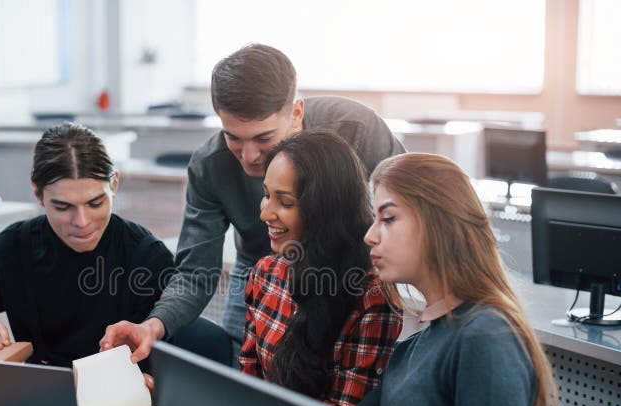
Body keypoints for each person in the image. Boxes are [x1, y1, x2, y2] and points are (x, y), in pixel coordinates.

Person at [101, 43, 405, 362]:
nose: (249, 157)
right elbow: (195, 272)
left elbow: (414, 205)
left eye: (263, 138)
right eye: (233, 137)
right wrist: (153, 325)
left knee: (341, 365)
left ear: (297, 112)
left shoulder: (355, 129)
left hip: (347, 265)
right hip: (258, 266)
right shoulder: (209, 165)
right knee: (244, 363)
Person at [354, 153, 557, 406]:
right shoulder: (422, 341)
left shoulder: (487, 340)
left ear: (437, 222)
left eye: (388, 218)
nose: (370, 234)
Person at [0, 123, 174, 368]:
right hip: (37, 392)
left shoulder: (147, 256)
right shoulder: (13, 247)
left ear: (113, 185)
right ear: (37, 193)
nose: (82, 222)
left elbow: (169, 356)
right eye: (63, 207)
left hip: (122, 399)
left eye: (95, 203)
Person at [239, 130, 402, 406]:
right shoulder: (264, 273)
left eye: (285, 202)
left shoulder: (371, 297)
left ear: (325, 209)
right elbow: (248, 381)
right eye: (266, 195)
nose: (264, 213)